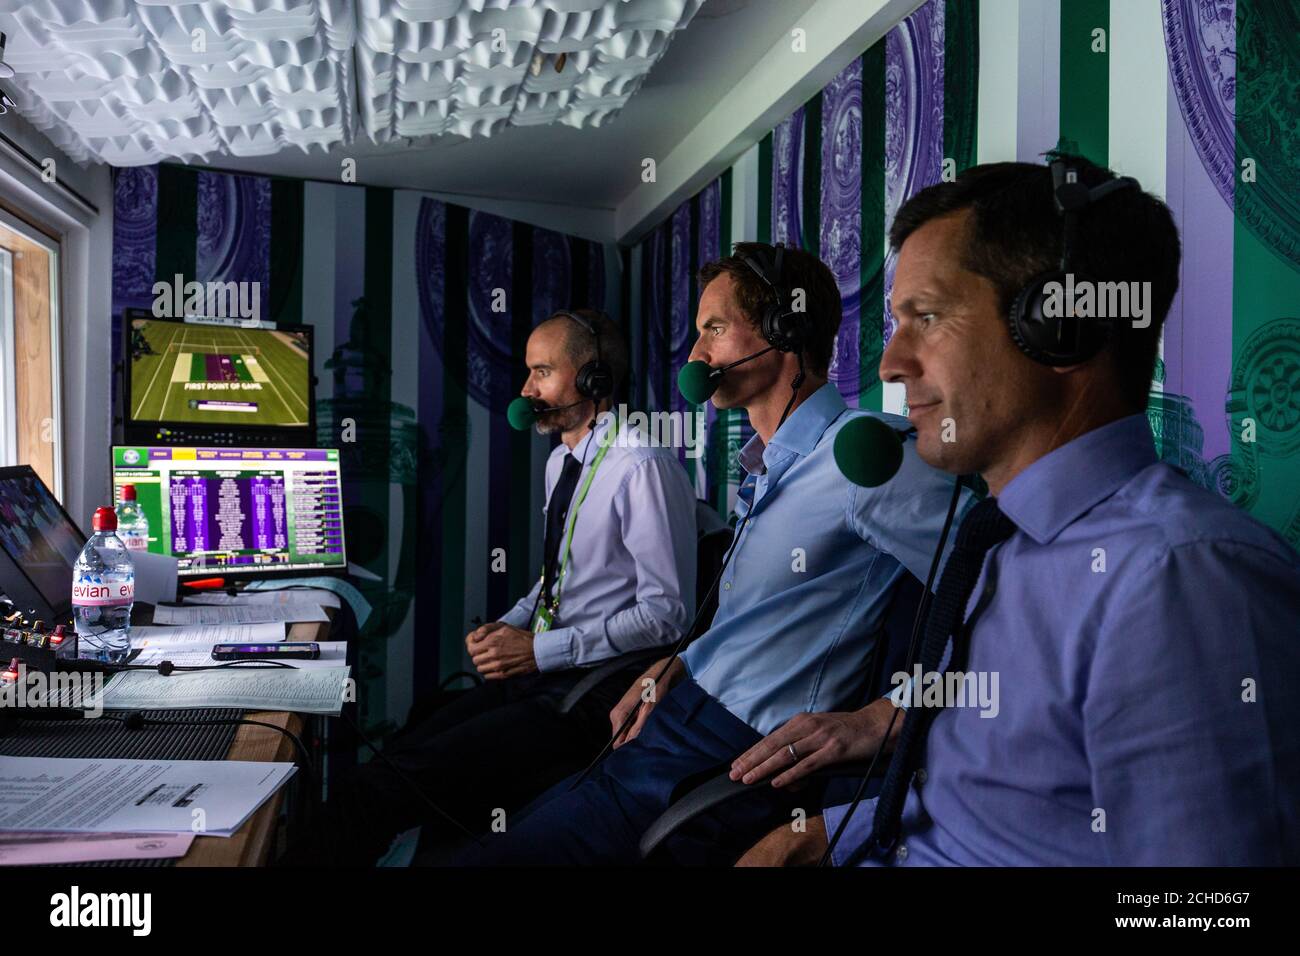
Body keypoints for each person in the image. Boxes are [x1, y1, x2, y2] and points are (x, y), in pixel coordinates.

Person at [735, 155, 1300, 867]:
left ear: (1061, 324)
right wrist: (822, 832)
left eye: (926, 318)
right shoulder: (1001, 537)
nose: (890, 364)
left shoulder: (1180, 580)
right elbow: (990, 798)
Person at [456, 242, 966, 866]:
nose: (696, 356)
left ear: (784, 331)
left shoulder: (864, 456)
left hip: (731, 754)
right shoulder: (769, 463)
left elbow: (1002, 590)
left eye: (715, 330)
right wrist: (681, 660)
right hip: (677, 713)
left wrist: (887, 714)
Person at [281, 309, 698, 866]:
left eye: (541, 372)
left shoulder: (641, 465)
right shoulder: (561, 461)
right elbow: (558, 577)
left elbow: (668, 614)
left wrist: (539, 650)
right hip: (546, 669)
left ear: (593, 378)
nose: (526, 390)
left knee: (378, 790)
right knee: (404, 742)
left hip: (592, 689)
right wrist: (513, 624)